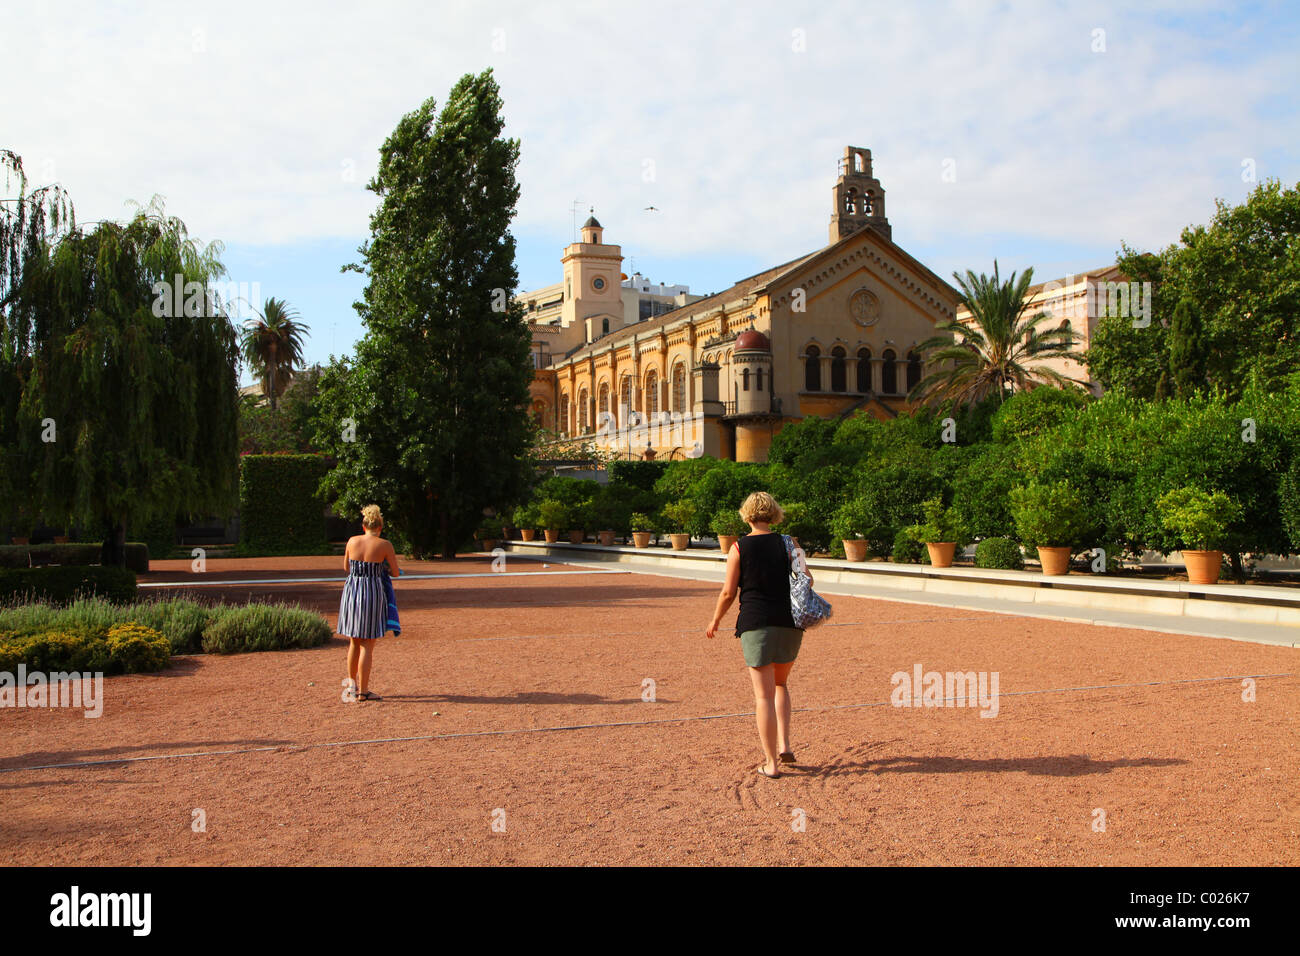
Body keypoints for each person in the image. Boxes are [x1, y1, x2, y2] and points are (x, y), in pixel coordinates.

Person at [705, 491, 810, 779]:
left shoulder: (738, 548)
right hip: (789, 622)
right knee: (781, 684)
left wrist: (715, 620)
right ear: (774, 513)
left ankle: (771, 763)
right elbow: (808, 578)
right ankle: (785, 745)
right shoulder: (790, 543)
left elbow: (728, 592)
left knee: (762, 696)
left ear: (747, 514)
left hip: (756, 622)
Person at [338, 504, 400, 702]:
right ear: (380, 527)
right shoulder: (384, 545)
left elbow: (346, 566)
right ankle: (364, 691)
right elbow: (396, 572)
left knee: (354, 642)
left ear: (363, 526)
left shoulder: (352, 541)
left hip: (352, 592)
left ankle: (351, 687)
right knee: (367, 645)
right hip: (373, 592)